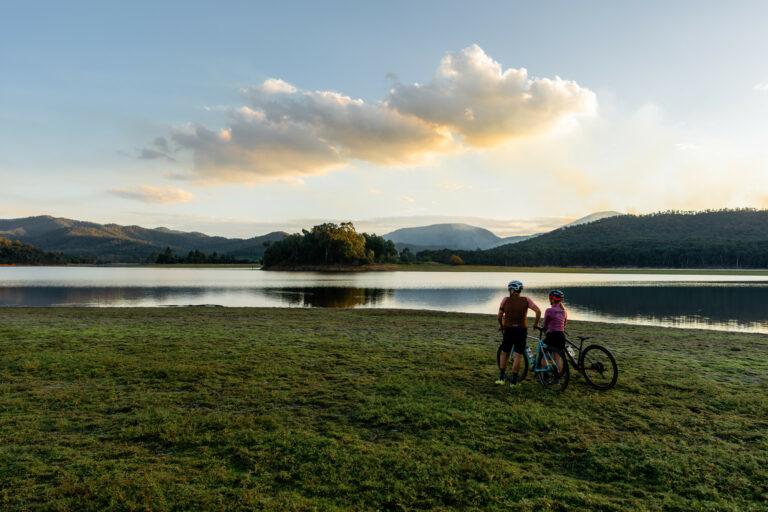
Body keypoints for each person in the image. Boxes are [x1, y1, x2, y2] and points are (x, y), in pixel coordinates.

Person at [497, 280, 541, 385]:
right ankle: (513, 382)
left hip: (509, 330)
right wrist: (536, 324)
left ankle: (502, 379)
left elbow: (499, 315)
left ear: (512, 290)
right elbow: (538, 311)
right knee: (518, 356)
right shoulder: (526, 300)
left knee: (505, 354)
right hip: (521, 330)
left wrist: (501, 324)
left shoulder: (505, 300)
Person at [542, 289, 567, 372]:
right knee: (557, 358)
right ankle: (557, 378)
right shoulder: (564, 311)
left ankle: (544, 376)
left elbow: (544, 324)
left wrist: (546, 328)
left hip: (552, 335)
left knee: (544, 353)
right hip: (561, 336)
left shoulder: (549, 310)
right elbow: (564, 324)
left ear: (552, 299)